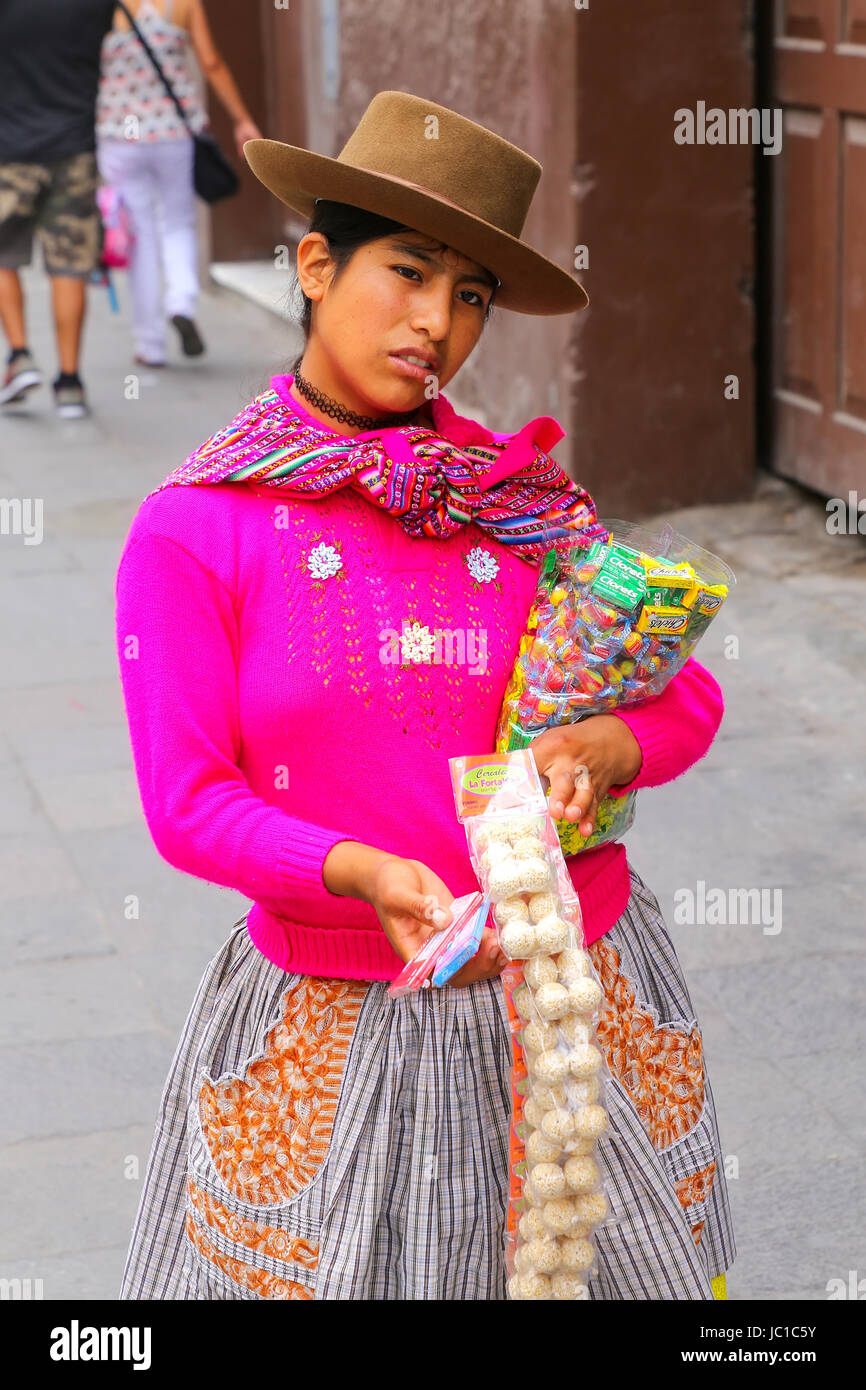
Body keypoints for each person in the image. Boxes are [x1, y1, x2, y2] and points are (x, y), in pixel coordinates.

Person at [115, 90, 736, 1300]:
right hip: (339, 1021)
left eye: (470, 297)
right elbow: (188, 802)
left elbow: (688, 697)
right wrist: (359, 871)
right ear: (310, 263)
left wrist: (608, 742)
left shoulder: (515, 501)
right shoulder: (196, 531)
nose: (436, 325)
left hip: (567, 1000)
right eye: (405, 274)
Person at [95, 0, 261, 368]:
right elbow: (211, 61)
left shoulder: (104, 7)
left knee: (139, 235)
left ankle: (150, 345)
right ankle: (181, 302)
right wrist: (242, 119)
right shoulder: (184, 3)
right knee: (177, 222)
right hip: (174, 132)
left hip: (120, 135)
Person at [0, 0, 118, 418]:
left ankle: (19, 355)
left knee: (3, 258)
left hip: (9, 150)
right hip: (75, 150)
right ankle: (70, 383)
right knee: (70, 264)